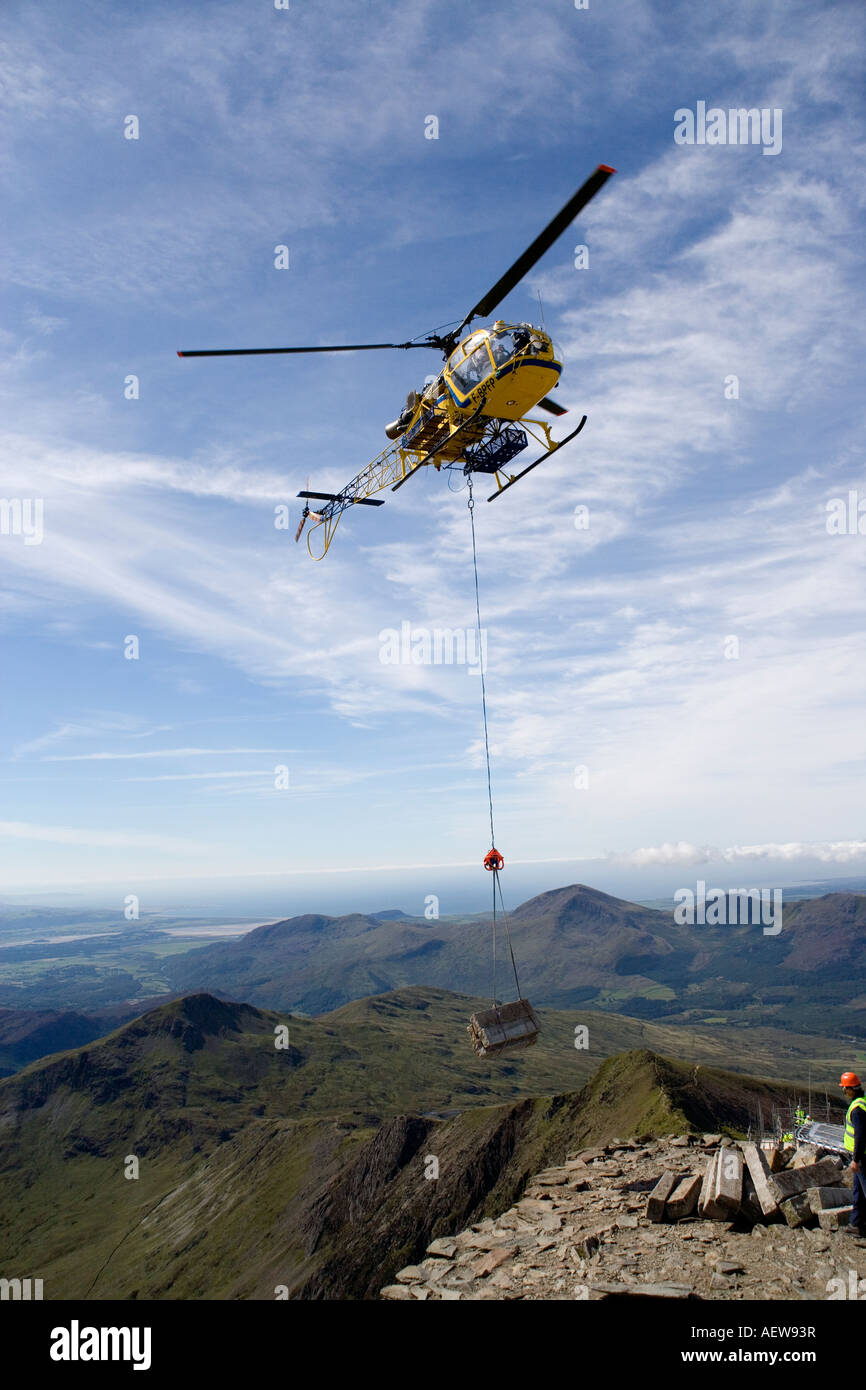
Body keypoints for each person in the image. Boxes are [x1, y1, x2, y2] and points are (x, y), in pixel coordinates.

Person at [840, 1071, 866, 1238]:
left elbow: (860, 1135)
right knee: (858, 1193)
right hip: (860, 1157)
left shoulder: (857, 1109)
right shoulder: (863, 1101)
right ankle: (856, 1224)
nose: (843, 1092)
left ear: (850, 1089)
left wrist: (855, 1160)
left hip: (862, 1157)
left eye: (844, 1089)